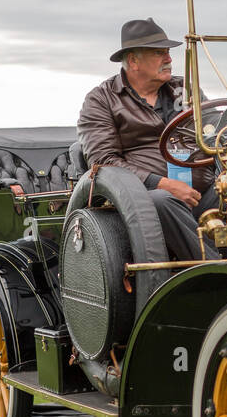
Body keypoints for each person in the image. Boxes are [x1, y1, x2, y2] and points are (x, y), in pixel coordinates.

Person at [77, 17, 219, 261]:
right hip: (145, 201)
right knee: (162, 201)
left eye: (168, 52)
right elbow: (103, 161)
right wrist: (163, 183)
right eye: (159, 53)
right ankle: (221, 274)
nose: (169, 59)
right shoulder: (102, 100)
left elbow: (217, 129)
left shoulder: (183, 90)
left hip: (203, 194)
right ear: (133, 60)